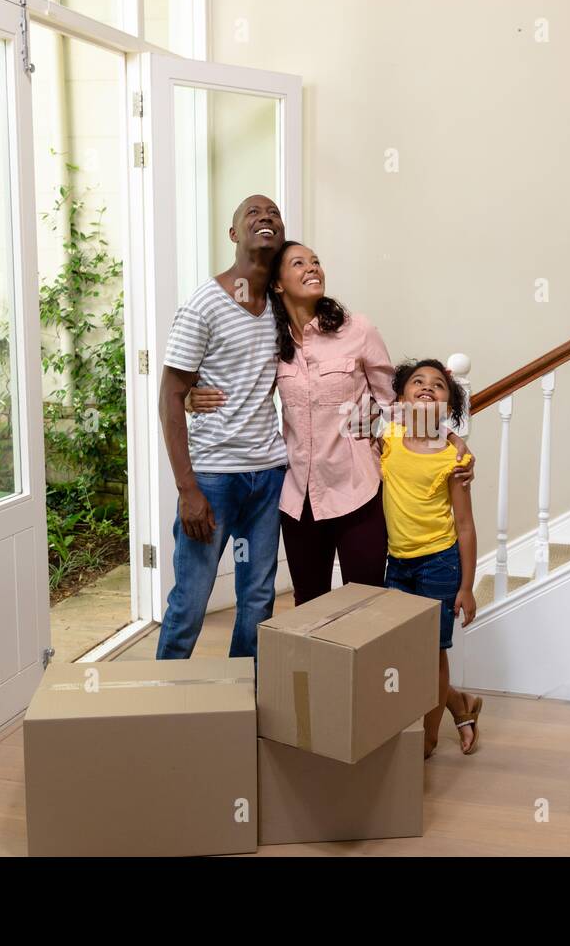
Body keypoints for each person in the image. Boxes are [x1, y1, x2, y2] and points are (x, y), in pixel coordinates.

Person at [188, 240, 473, 608]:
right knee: (309, 604)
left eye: (316, 262)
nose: (312, 268)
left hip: (358, 489)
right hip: (297, 496)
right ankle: (316, 670)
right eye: (298, 263)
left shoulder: (359, 330)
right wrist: (188, 397)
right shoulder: (270, 341)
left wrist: (446, 437)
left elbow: (393, 402)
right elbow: (240, 391)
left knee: (367, 602)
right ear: (277, 283)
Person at [154, 194, 288, 660]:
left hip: (269, 476)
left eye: (273, 213)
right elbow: (171, 396)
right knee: (190, 601)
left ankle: (240, 700)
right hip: (213, 480)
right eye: (253, 213)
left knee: (257, 599)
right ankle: (162, 699)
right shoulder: (204, 305)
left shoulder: (282, 307)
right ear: (234, 234)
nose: (265, 217)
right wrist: (187, 488)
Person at [380, 359, 482, 758]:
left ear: (448, 404)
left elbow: (466, 526)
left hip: (439, 564)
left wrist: (467, 586)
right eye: (417, 382)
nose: (426, 388)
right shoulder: (387, 439)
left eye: (437, 385)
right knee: (402, 653)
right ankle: (459, 703)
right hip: (397, 563)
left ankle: (429, 736)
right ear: (401, 398)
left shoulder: (453, 460)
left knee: (433, 652)